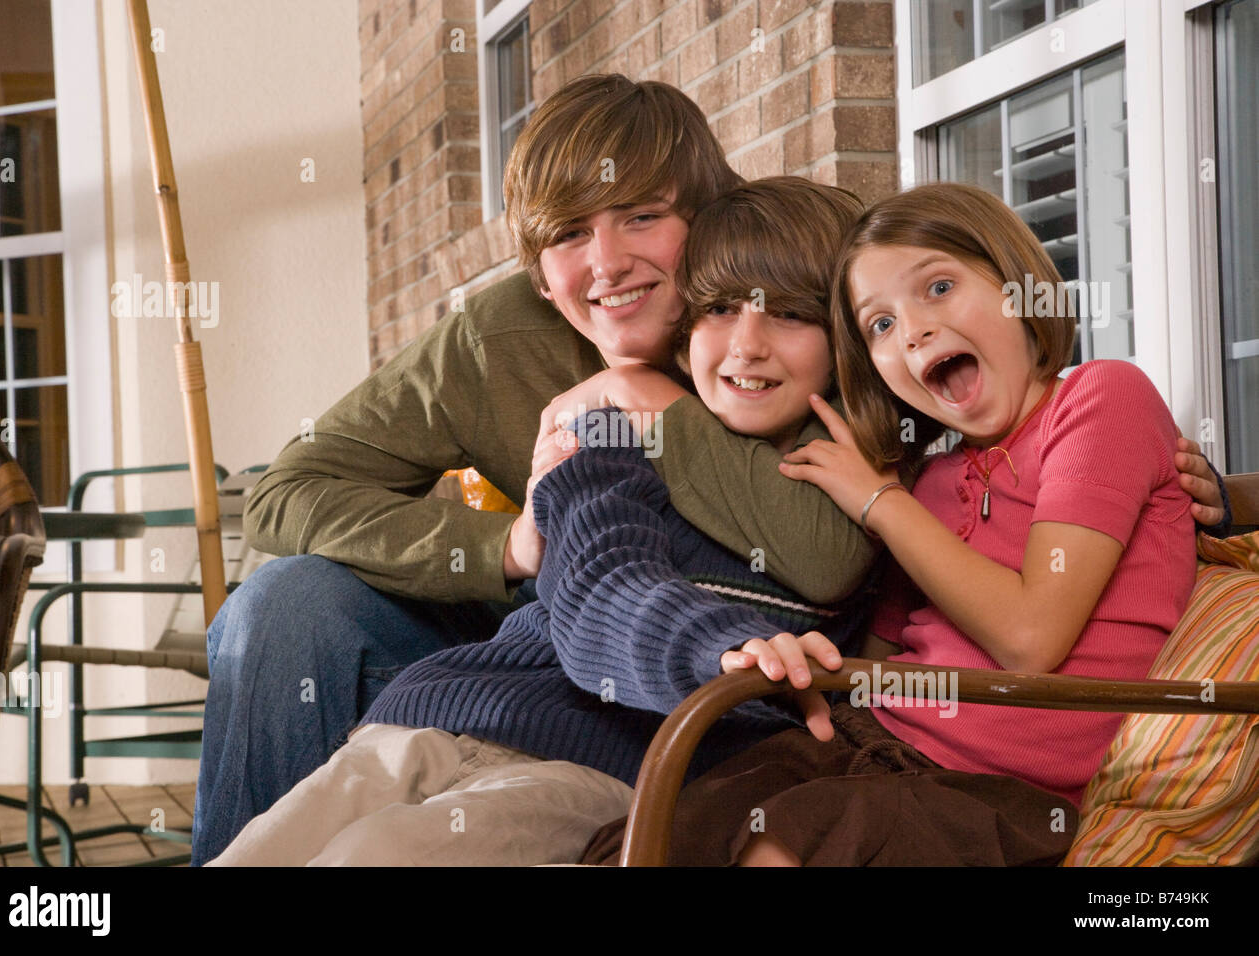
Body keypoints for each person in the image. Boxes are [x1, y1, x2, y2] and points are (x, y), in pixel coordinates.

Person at [193, 69, 1228, 864]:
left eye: (641, 216)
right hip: (486, 673)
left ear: (705, 221)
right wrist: (508, 540)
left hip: (639, 733)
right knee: (281, 662)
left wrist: (1207, 489)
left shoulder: (869, 420)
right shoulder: (550, 382)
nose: (605, 264)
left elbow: (872, 537)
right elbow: (589, 577)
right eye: (567, 236)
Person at [207, 178, 876, 865]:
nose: (747, 345)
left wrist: (731, 655)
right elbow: (602, 588)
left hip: (602, 762)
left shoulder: (860, 478)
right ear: (685, 325)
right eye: (718, 310)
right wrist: (714, 648)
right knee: (262, 851)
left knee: (377, 854)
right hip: (438, 717)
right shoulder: (609, 432)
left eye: (791, 315)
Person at [582, 182, 1209, 867]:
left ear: (1018, 286)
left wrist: (877, 501)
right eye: (879, 324)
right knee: (657, 834)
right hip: (866, 743)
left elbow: (1032, 639)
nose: (912, 330)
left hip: (1000, 796)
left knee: (792, 840)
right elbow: (875, 665)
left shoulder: (1099, 397)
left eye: (938, 288)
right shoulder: (932, 480)